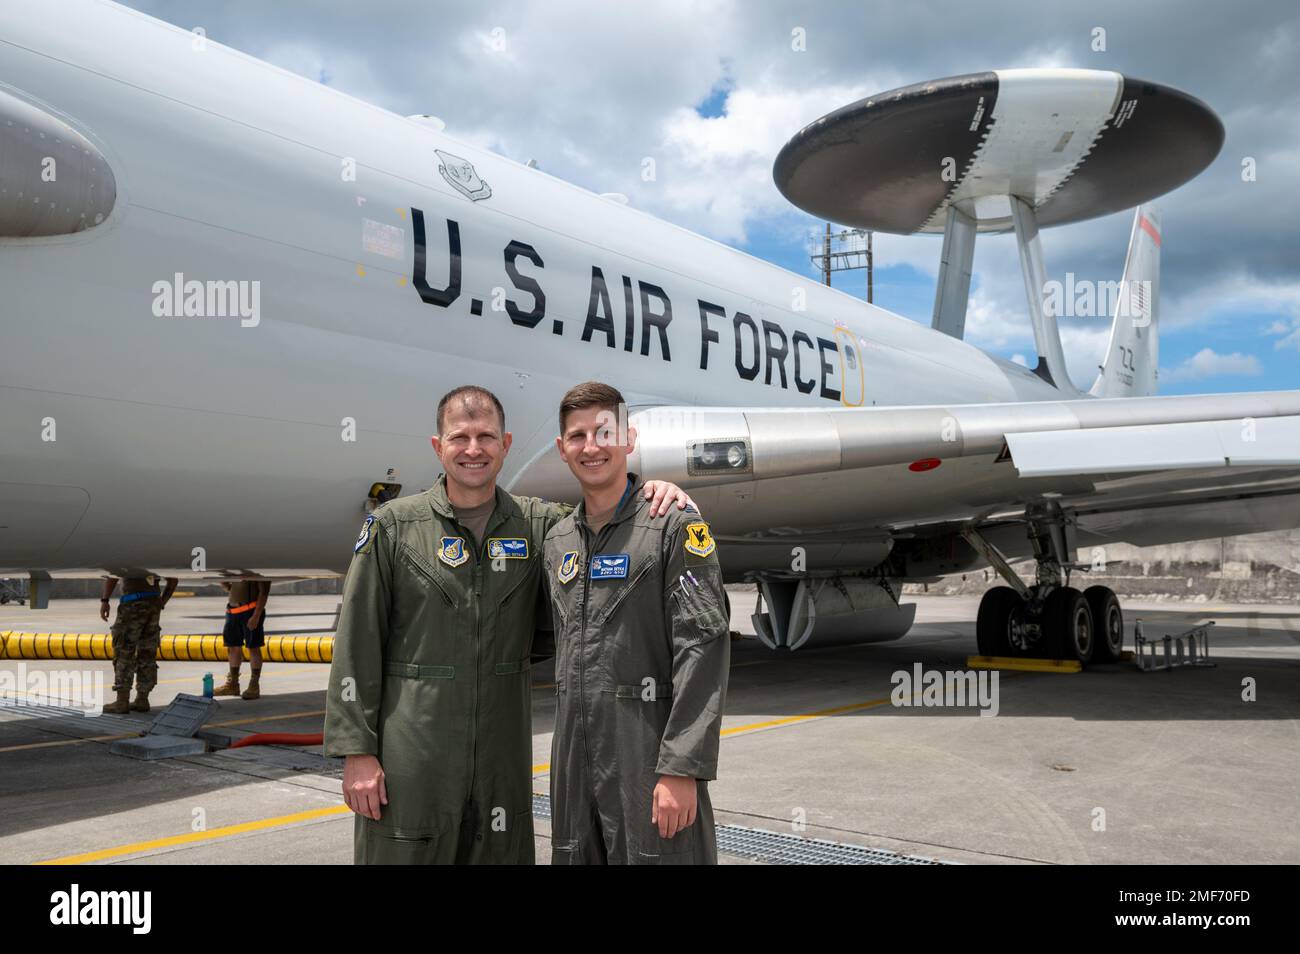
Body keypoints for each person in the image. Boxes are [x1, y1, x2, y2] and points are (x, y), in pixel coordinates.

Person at [324, 385, 692, 865]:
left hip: (503, 760)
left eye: (486, 437)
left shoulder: (538, 525)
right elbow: (356, 641)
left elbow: (605, 519)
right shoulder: (395, 528)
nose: (473, 450)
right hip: (412, 758)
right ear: (439, 447)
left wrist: (657, 494)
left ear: (506, 445)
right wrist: (357, 752)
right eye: (460, 437)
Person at [543, 381, 730, 864]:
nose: (592, 446)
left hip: (647, 759)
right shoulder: (558, 540)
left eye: (604, 432)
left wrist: (681, 768)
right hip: (572, 768)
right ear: (562, 449)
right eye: (578, 436)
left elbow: (703, 647)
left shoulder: (673, 526)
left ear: (629, 438)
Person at [100, 573, 178, 714]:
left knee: (124, 651)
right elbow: (173, 580)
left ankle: (122, 701)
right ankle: (142, 699)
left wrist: (105, 600)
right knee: (147, 652)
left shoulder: (128, 557)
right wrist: (161, 602)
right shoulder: (156, 558)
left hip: (132, 604)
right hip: (153, 604)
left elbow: (113, 575)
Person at [213, 580, 270, 699]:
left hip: (250, 612)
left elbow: (263, 592)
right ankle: (233, 684)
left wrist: (256, 616)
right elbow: (233, 589)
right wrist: (225, 584)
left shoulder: (257, 569)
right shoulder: (236, 570)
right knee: (233, 647)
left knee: (253, 648)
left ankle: (254, 685)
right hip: (232, 611)